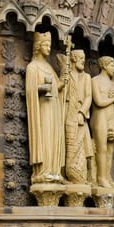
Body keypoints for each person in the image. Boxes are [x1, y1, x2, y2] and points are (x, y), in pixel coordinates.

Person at [24, 31, 65, 185]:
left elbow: (58, 86)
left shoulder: (48, 67)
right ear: (38, 46)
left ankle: (54, 171)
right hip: (42, 110)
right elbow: (30, 90)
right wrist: (43, 88)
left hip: (53, 108)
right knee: (46, 138)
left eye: (50, 45)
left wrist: (64, 75)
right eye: (46, 45)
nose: (49, 48)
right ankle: (44, 171)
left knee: (54, 138)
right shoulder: (33, 67)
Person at [90, 55, 114, 189]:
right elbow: (98, 102)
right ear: (104, 65)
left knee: (110, 149)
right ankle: (100, 178)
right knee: (101, 148)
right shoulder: (95, 81)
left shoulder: (113, 83)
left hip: (111, 119)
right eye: (112, 65)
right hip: (100, 117)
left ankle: (107, 176)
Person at [62, 49, 93, 184]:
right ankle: (67, 173)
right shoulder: (67, 74)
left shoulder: (86, 77)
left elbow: (88, 96)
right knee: (69, 143)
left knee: (82, 146)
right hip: (69, 113)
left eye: (84, 58)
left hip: (80, 115)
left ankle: (80, 176)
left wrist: (81, 112)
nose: (83, 61)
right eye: (80, 58)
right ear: (73, 59)